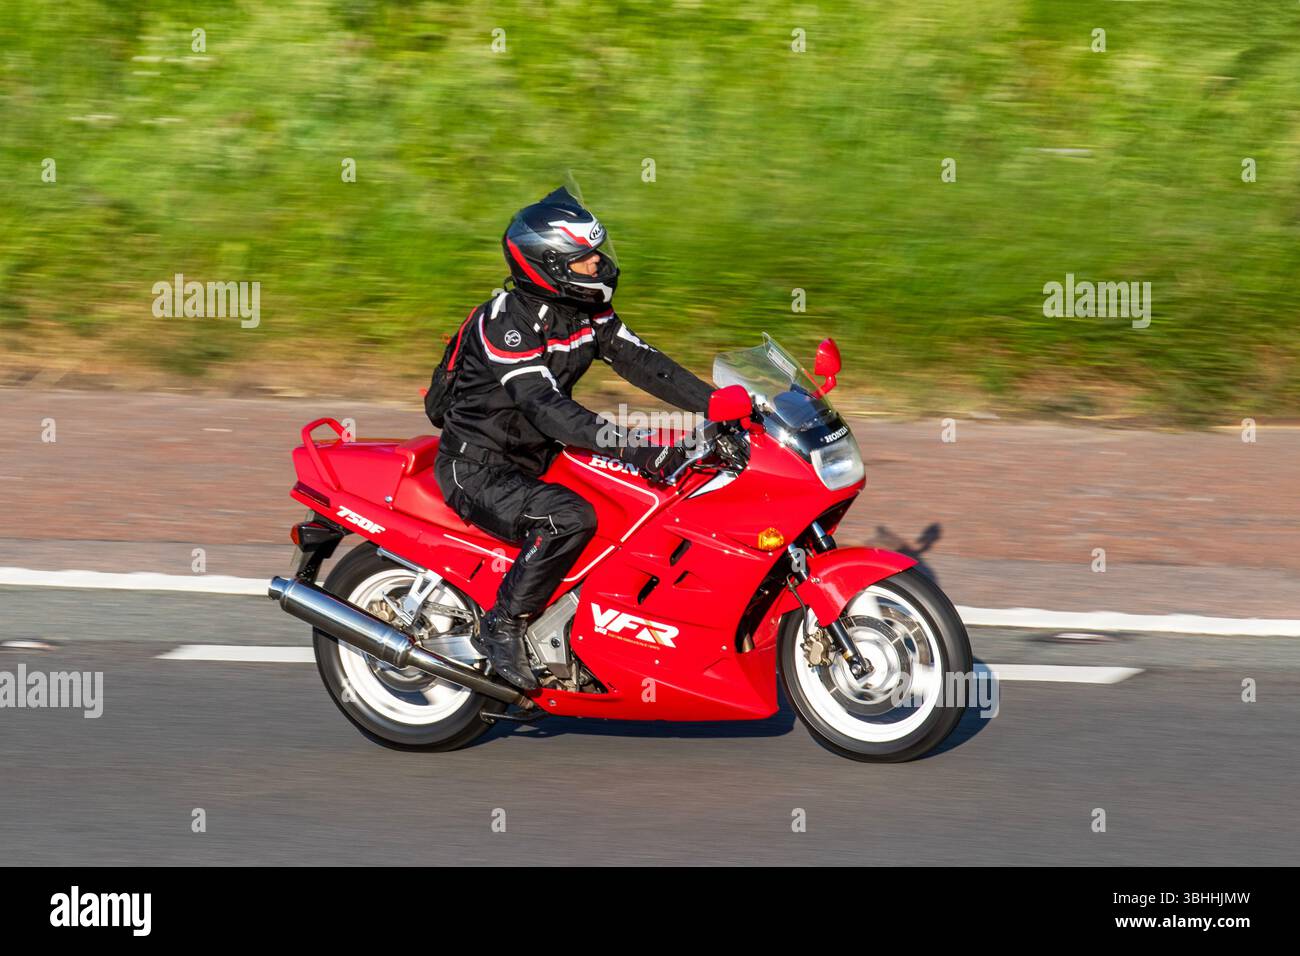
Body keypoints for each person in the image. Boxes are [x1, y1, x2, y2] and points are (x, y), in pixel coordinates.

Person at [433, 187, 714, 691]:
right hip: (479, 468)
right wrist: (633, 445)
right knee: (570, 517)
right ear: (549, 265)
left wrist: (725, 406)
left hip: (536, 456)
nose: (599, 268)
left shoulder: (587, 313)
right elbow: (546, 406)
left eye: (597, 255)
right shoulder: (505, 325)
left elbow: (646, 364)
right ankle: (503, 626)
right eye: (585, 261)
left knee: (642, 504)